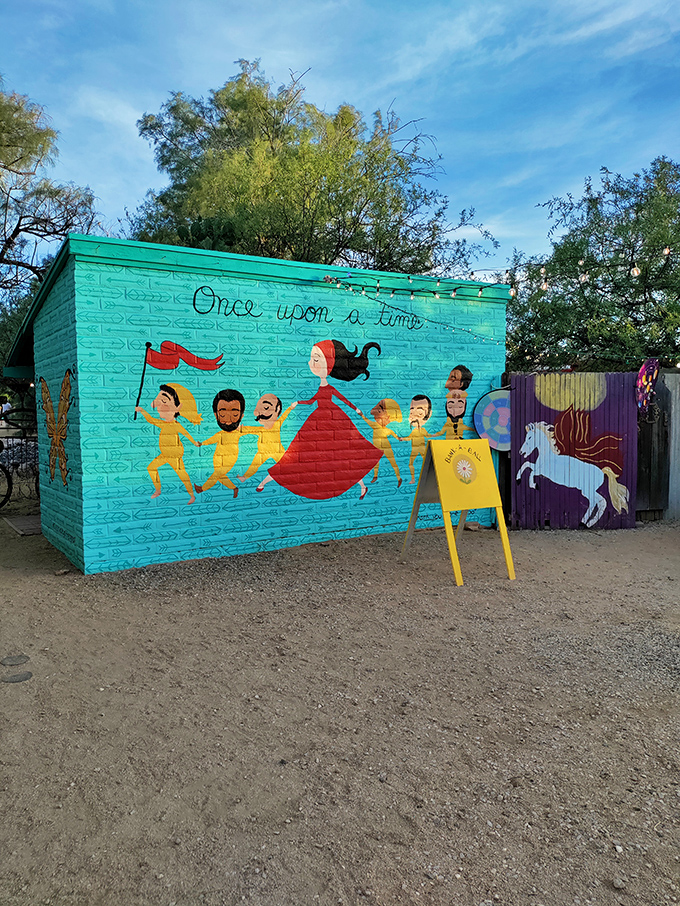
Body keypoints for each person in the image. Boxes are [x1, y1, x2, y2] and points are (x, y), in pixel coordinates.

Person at [257, 340, 382, 500]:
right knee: (300, 456)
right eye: (311, 359)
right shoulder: (321, 388)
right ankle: (268, 480)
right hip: (319, 421)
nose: (311, 363)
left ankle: (362, 486)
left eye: (316, 359)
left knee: (343, 458)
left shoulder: (329, 388)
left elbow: (342, 399)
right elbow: (311, 401)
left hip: (334, 421)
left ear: (329, 365)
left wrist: (355, 409)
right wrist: (298, 403)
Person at [135, 384, 201, 504]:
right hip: (165, 454)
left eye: (164, 401)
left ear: (177, 408)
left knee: (182, 474)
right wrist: (142, 411)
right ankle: (158, 489)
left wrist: (194, 443)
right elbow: (151, 420)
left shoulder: (176, 425)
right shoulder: (164, 424)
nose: (159, 406)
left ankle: (192, 495)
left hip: (175, 455)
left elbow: (186, 434)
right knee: (151, 467)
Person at [195, 389, 255, 498]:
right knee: (220, 476)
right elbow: (211, 440)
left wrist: (266, 428)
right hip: (217, 458)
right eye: (223, 415)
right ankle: (234, 488)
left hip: (229, 459)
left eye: (235, 414)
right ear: (216, 415)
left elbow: (253, 429)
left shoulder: (239, 431)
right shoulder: (220, 433)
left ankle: (202, 489)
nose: (228, 420)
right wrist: (202, 444)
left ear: (241, 416)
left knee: (216, 475)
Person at [238, 393, 297, 482]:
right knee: (254, 464)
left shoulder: (276, 424)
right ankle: (244, 477)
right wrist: (241, 428)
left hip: (277, 451)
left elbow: (283, 417)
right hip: (263, 452)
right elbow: (250, 429)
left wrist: (290, 408)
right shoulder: (261, 429)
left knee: (286, 463)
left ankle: (294, 475)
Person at [360, 398, 403, 486]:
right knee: (376, 462)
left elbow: (394, 435)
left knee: (392, 462)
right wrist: (361, 415)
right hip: (377, 446)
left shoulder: (387, 430)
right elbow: (367, 421)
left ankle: (399, 478)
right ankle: (375, 476)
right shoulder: (375, 425)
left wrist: (398, 438)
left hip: (386, 446)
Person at [401, 395, 434, 483]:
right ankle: (413, 479)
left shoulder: (423, 430)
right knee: (410, 464)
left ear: (429, 415)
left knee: (429, 463)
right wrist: (402, 439)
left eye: (419, 413)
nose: (414, 417)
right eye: (411, 413)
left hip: (422, 448)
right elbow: (409, 438)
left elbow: (428, 436)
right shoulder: (414, 431)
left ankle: (433, 478)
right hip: (414, 449)